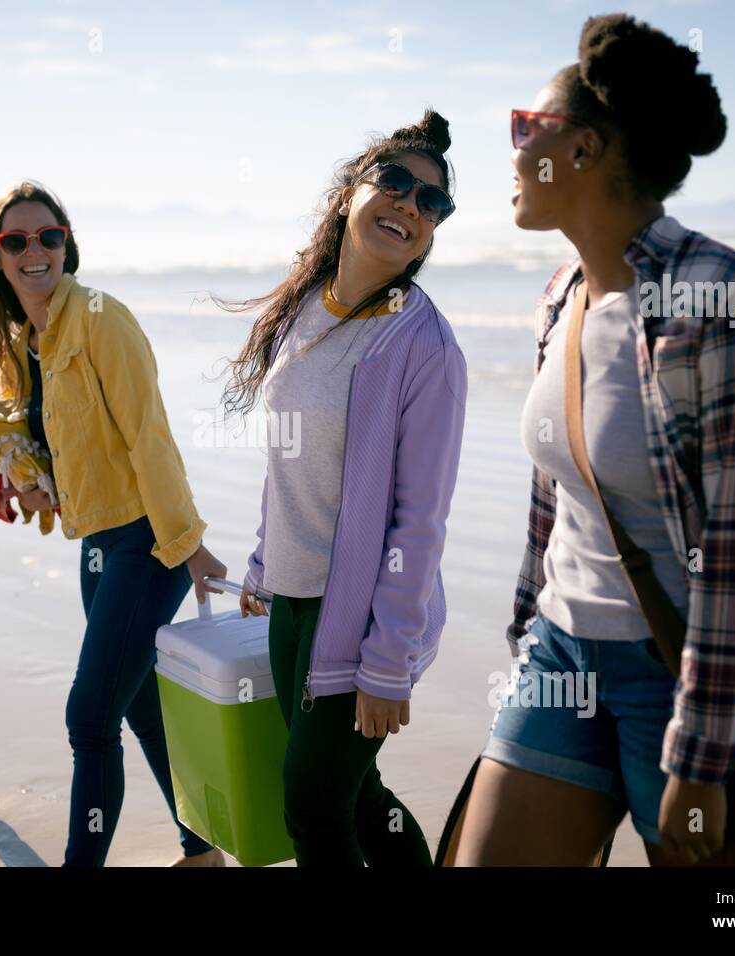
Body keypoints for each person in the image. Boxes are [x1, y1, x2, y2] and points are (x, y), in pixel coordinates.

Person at [454, 13, 735, 866]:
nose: (509, 151)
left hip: (681, 674)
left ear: (584, 150)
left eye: (524, 128)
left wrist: (702, 749)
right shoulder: (559, 297)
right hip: (560, 655)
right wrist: (525, 632)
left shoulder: (727, 300)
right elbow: (560, 497)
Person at [229, 110, 468, 866]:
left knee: (311, 807)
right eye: (394, 183)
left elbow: (418, 521)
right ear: (348, 196)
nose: (409, 205)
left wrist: (388, 660)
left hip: (363, 619)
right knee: (355, 798)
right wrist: (265, 564)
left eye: (431, 202)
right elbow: (289, 456)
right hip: (292, 603)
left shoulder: (422, 345)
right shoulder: (302, 307)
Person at [0, 181, 228, 866]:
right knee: (139, 708)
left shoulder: (100, 318)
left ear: (67, 245)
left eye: (49, 236)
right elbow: (56, 440)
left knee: (90, 718)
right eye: (16, 240)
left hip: (147, 540)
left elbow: (150, 436)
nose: (35, 250)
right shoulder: (26, 341)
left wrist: (188, 545)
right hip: (98, 543)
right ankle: (203, 854)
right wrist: (32, 482)